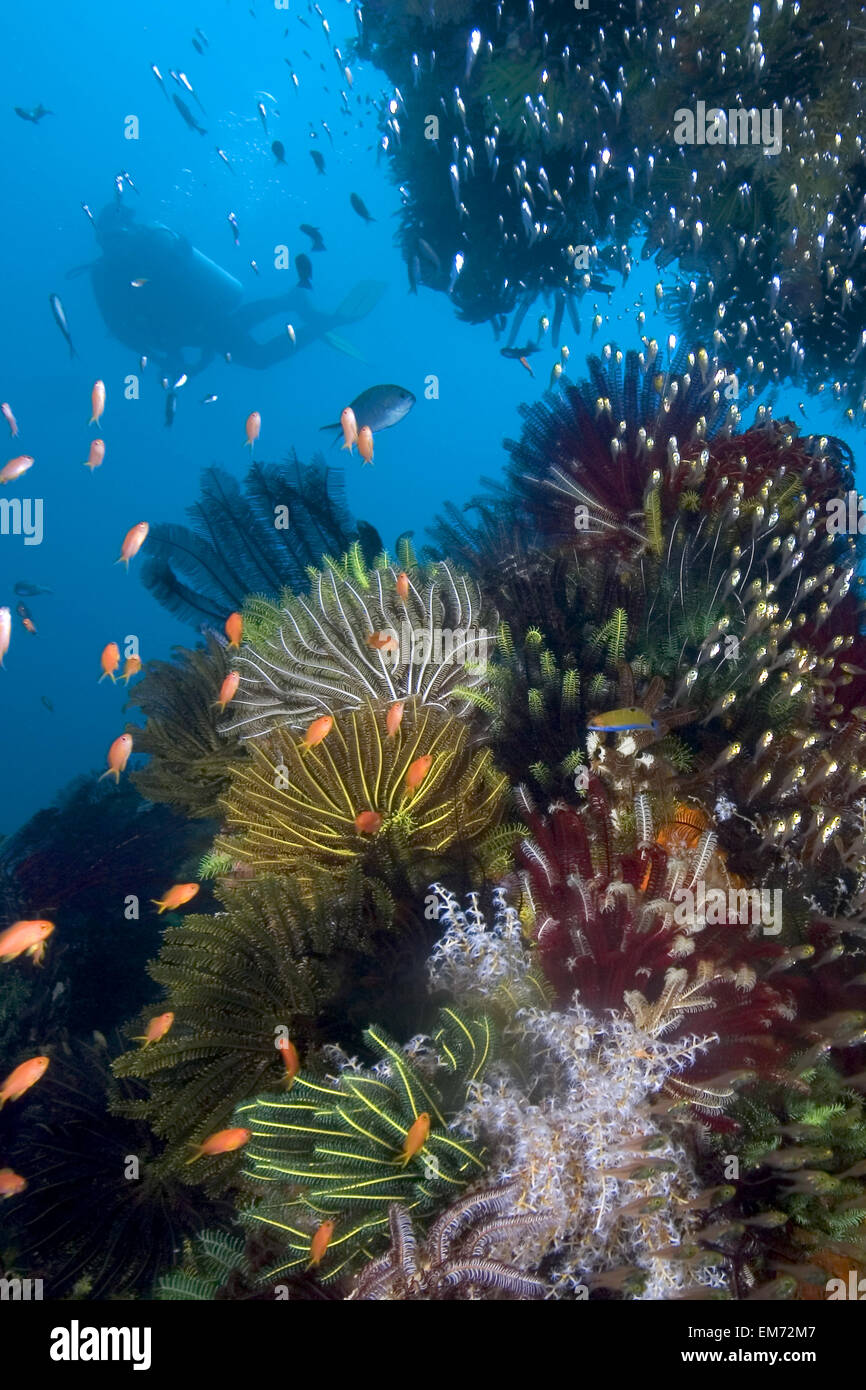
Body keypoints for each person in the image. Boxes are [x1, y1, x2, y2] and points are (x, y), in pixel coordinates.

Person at [85, 201, 385, 379]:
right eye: (108, 240)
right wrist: (171, 356)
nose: (114, 247)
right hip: (195, 324)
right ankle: (290, 300)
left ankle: (324, 323)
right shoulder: (113, 271)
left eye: (115, 238)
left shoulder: (141, 259)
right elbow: (124, 327)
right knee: (234, 323)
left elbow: (161, 306)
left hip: (197, 321)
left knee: (258, 358)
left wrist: (173, 356)